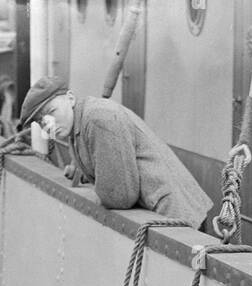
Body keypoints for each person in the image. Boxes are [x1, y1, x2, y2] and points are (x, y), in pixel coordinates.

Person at [18, 77, 213, 231]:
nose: (48, 124)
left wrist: (83, 195)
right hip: (163, 216)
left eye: (51, 111)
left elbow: (119, 197)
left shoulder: (99, 118)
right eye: (41, 121)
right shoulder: (76, 123)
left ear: (70, 98)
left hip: (179, 218)